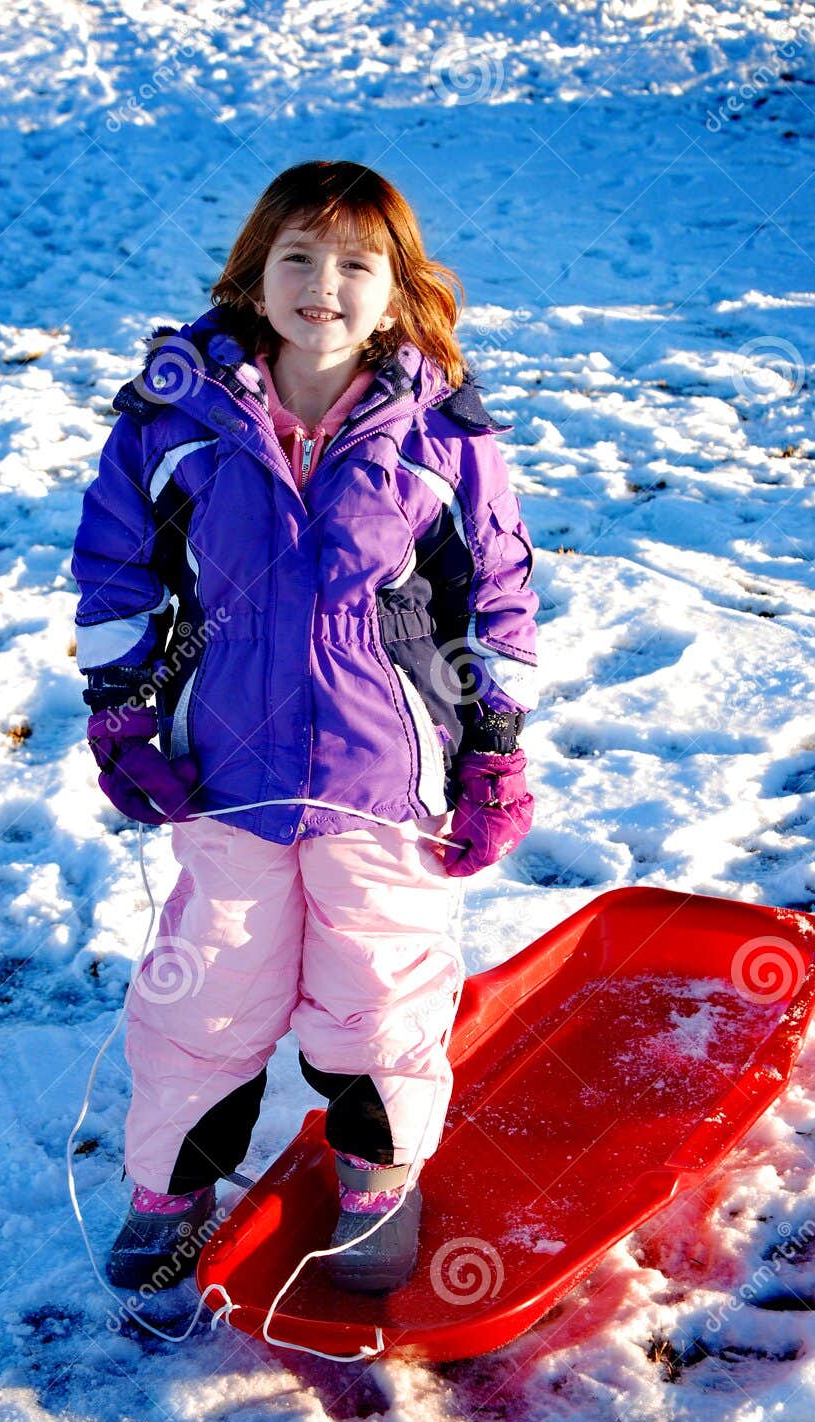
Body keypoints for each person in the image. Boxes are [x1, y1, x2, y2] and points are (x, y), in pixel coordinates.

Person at [70, 160, 539, 1298]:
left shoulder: (443, 435)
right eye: (297, 256)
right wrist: (125, 710)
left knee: (380, 986)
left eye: (354, 264)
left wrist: (494, 746)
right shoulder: (175, 418)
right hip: (221, 768)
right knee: (208, 989)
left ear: (394, 291)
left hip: (379, 773)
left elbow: (499, 590)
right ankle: (173, 1187)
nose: (321, 284)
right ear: (254, 273)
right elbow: (116, 567)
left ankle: (377, 1178)